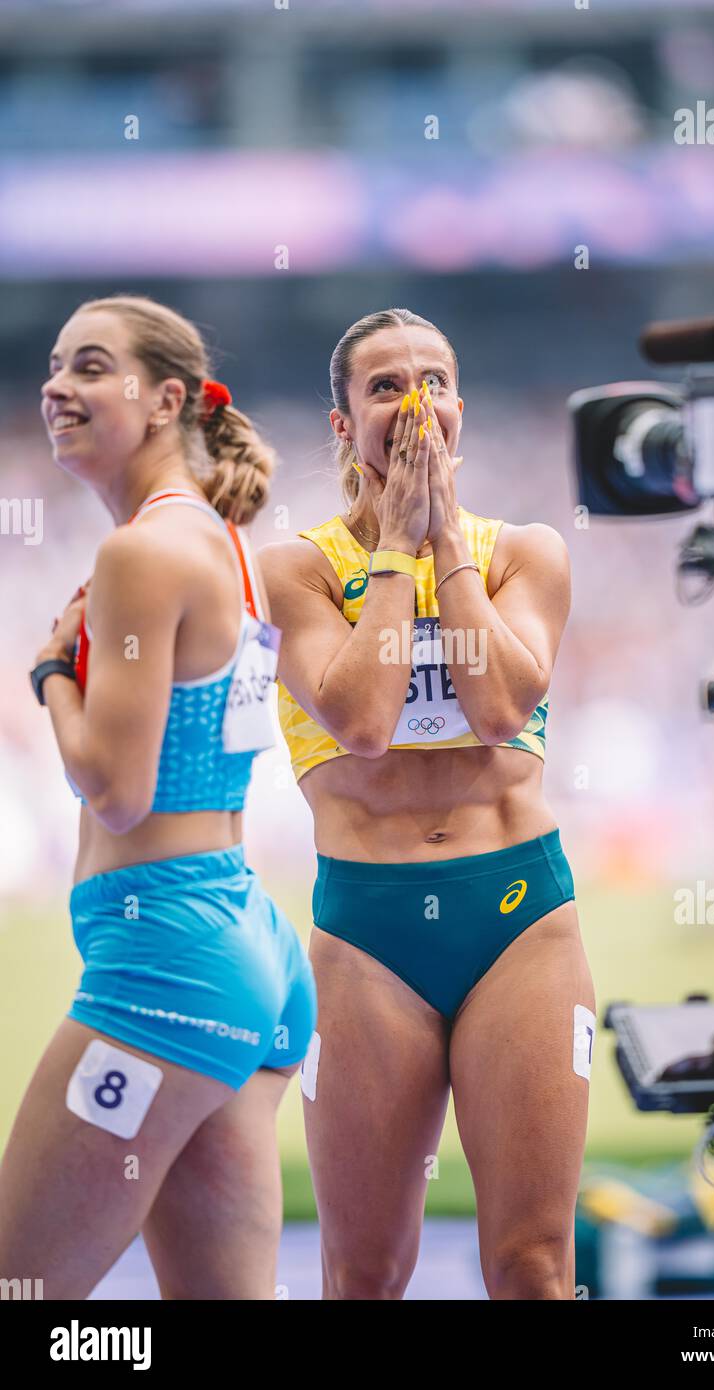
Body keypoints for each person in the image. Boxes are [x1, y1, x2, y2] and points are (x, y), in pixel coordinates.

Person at [259, 307, 595, 1300]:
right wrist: (397, 549)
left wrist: (440, 532)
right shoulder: (296, 569)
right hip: (367, 930)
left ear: (460, 409)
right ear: (339, 426)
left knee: (531, 1263)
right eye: (383, 386)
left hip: (519, 916)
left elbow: (496, 709)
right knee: (363, 1269)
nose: (413, 403)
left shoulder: (522, 551)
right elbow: (362, 720)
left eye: (433, 382)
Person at [0, 295, 316, 1300]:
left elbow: (117, 791)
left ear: (166, 397)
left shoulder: (140, 552)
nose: (58, 385)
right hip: (246, 950)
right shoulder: (223, 542)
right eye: (55, 365)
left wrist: (50, 674)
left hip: (166, 961)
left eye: (91, 366)